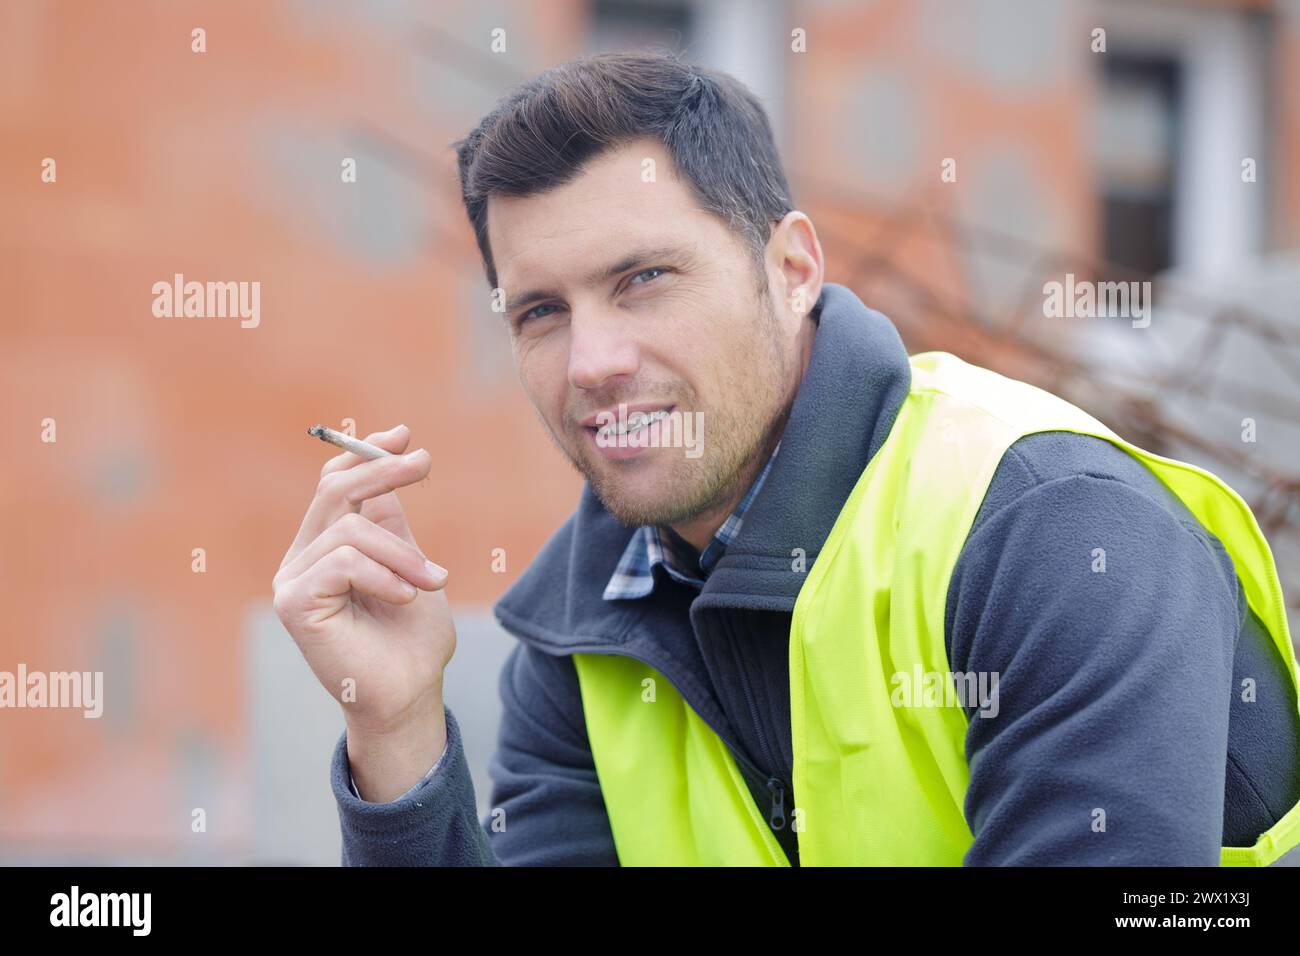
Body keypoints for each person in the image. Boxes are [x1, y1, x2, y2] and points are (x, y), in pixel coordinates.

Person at [271, 52, 1300, 866]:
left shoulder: (1054, 532)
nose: (593, 363)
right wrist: (399, 729)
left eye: (643, 279)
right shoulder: (584, 626)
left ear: (793, 268)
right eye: (541, 310)